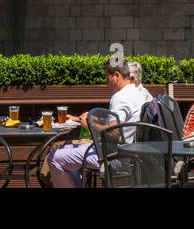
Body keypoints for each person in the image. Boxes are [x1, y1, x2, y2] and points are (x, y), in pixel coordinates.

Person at [49, 59, 143, 188]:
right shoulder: (138, 94)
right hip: (131, 155)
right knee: (65, 152)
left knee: (54, 157)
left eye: (106, 78)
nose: (106, 83)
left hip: (115, 157)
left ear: (116, 75)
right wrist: (81, 119)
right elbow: (122, 124)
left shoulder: (120, 97)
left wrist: (91, 125)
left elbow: (114, 133)